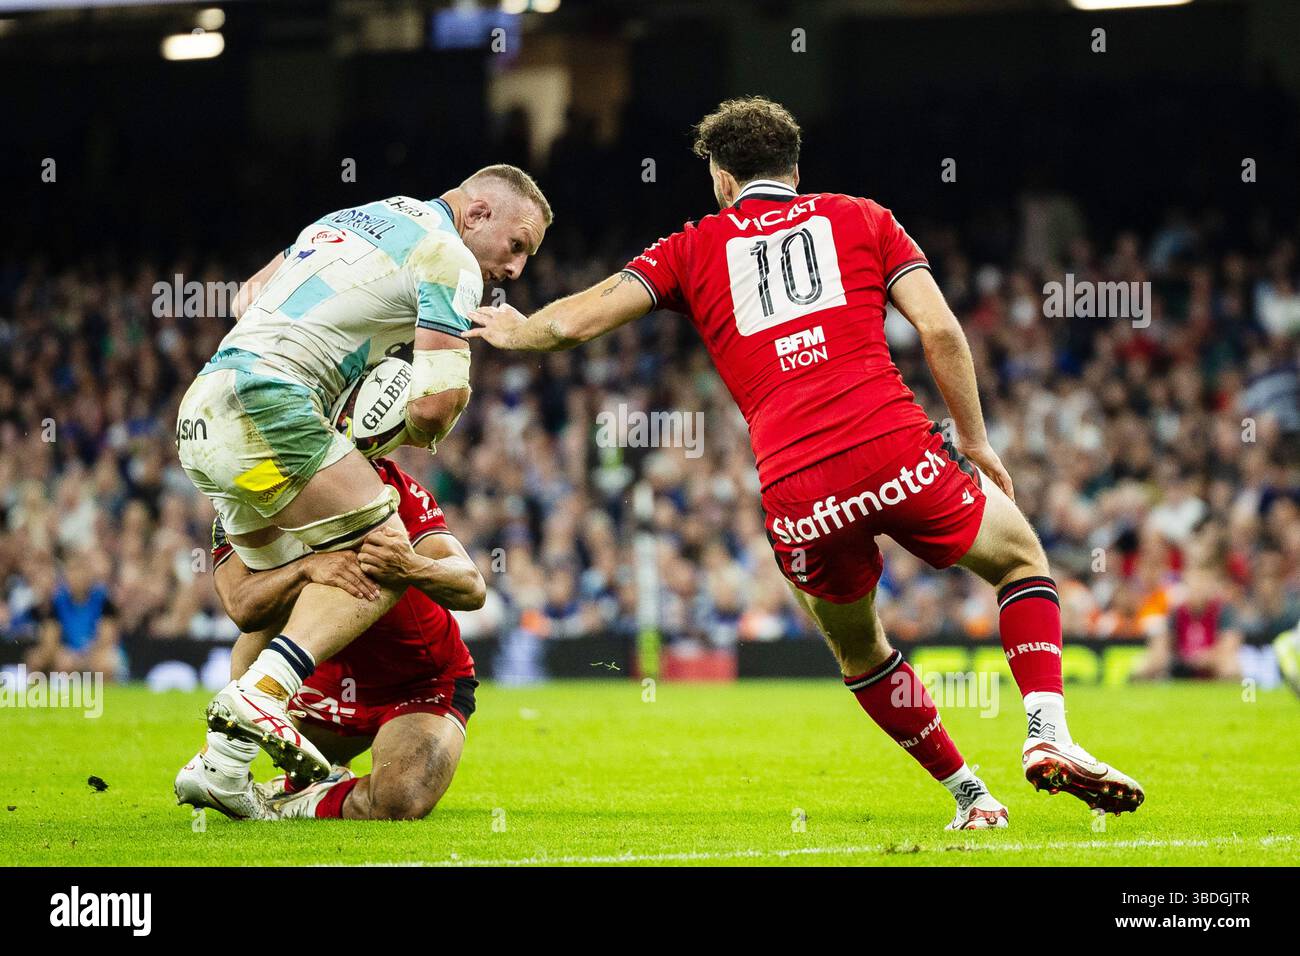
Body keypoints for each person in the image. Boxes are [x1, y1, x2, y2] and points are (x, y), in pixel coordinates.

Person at [465, 96, 1144, 829]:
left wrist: (515, 329)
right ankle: (1048, 733)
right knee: (1020, 561)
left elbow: (572, 321)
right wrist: (975, 442)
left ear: (722, 178)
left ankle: (971, 796)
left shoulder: (689, 247)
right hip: (892, 443)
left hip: (796, 484)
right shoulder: (863, 217)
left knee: (860, 651)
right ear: (796, 169)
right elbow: (942, 330)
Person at [175, 166, 548, 785]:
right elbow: (434, 405)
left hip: (205, 410)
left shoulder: (344, 220)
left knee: (264, 598)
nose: (514, 272)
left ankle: (222, 767)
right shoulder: (448, 256)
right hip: (273, 404)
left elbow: (246, 299)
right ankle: (263, 691)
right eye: (517, 247)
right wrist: (409, 428)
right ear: (477, 213)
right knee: (386, 554)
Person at [175, 449, 485, 821]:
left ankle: (289, 801)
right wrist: (307, 569)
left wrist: (410, 565)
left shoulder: (381, 484)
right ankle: (242, 771)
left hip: (422, 681)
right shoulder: (243, 504)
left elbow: (472, 587)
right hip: (323, 680)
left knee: (398, 801)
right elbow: (243, 608)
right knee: (259, 632)